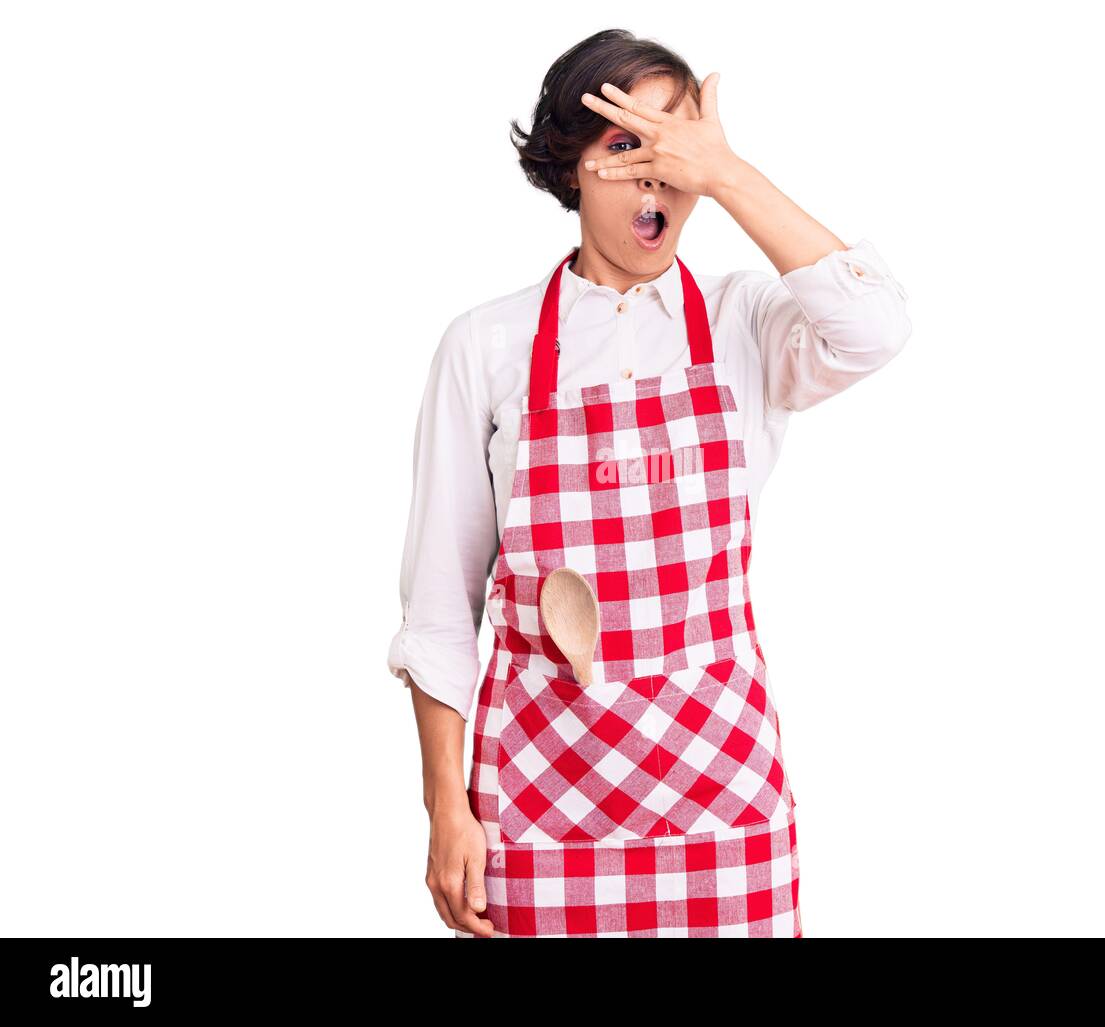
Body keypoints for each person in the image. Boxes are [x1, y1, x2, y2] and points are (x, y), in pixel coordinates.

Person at [387, 28, 911, 937]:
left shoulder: (747, 320)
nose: (661, 171)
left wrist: (730, 171)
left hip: (723, 797)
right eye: (630, 143)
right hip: (541, 804)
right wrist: (445, 804)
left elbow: (875, 326)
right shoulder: (487, 347)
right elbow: (440, 606)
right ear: (572, 167)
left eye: (681, 146)